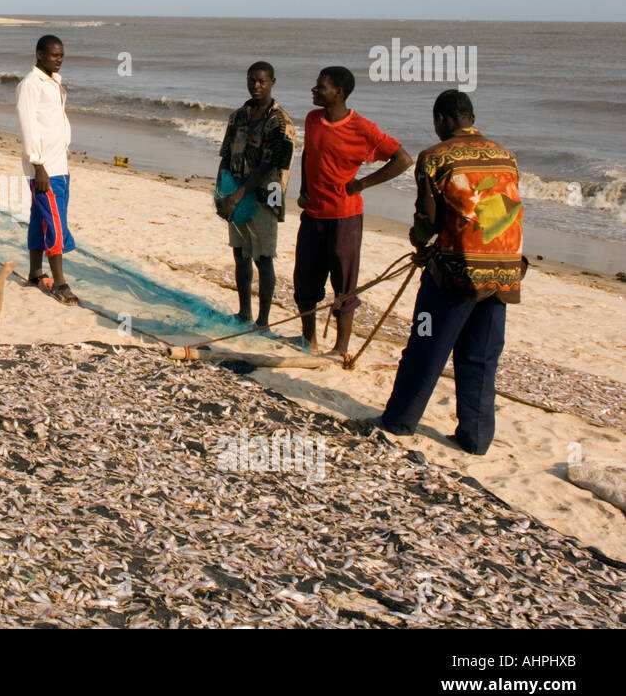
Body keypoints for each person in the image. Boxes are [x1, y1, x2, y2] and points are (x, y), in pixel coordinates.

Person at [355, 91, 525, 455]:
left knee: (426, 345)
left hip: (455, 274)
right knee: (480, 356)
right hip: (505, 272)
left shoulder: (434, 158)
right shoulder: (505, 156)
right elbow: (493, 216)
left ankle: (399, 420)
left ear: (442, 120)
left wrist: (420, 242)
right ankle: (475, 438)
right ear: (471, 117)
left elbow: (427, 222)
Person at [295, 66, 412, 358]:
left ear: (339, 93)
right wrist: (304, 188)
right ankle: (308, 340)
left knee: (344, 286)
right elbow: (308, 153)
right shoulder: (312, 119)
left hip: (344, 218)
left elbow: (403, 159)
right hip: (313, 214)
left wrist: (362, 184)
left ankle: (341, 347)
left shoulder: (363, 128)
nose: (314, 90)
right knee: (305, 282)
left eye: (320, 86)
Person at [215, 61, 295, 330]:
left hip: (264, 196)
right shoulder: (238, 116)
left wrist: (237, 195)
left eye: (262, 81)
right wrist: (220, 193)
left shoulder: (279, 122)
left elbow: (269, 165)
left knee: (264, 258)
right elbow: (226, 155)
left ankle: (263, 320)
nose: (256, 86)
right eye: (252, 80)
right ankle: (244, 312)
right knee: (240, 253)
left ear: (272, 82)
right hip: (234, 193)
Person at [16, 34, 79, 305]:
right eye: (54, 55)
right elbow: (28, 125)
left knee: (41, 220)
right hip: (45, 168)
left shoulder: (53, 81)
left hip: (58, 165)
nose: (59, 59)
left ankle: (34, 272)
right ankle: (60, 283)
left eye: (62, 55)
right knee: (55, 223)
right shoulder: (31, 85)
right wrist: (37, 164)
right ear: (39, 54)